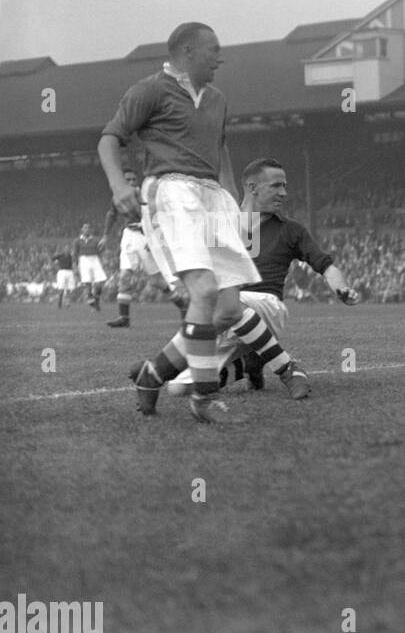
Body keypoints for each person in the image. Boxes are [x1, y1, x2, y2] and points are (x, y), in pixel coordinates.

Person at [98, 21, 262, 424]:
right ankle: (203, 400)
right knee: (203, 291)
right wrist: (120, 185)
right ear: (187, 52)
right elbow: (109, 138)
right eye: (214, 50)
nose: (220, 58)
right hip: (172, 192)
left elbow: (220, 149)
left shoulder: (219, 99)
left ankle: (152, 375)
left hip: (212, 196)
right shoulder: (150, 89)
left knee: (227, 308)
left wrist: (231, 201)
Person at [165, 157, 358, 397]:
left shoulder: (291, 230)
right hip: (226, 312)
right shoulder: (222, 225)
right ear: (252, 188)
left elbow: (326, 266)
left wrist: (342, 289)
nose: (284, 193)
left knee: (227, 305)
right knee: (176, 388)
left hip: (266, 306)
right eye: (277, 185)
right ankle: (250, 365)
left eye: (284, 186)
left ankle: (287, 368)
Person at [106, 167, 188, 327]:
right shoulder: (118, 197)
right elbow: (111, 214)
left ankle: (183, 306)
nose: (130, 182)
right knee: (124, 276)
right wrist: (105, 235)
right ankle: (124, 317)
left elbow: (158, 216)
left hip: (145, 236)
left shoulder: (145, 196)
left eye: (133, 180)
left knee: (157, 281)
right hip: (128, 235)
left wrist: (154, 240)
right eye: (127, 180)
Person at [73, 223, 107, 311]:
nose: (87, 229)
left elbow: (101, 251)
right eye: (85, 228)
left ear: (90, 230)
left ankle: (96, 300)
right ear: (82, 230)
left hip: (94, 259)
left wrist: (103, 258)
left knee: (99, 283)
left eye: (88, 228)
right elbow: (75, 253)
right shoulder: (77, 241)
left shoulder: (95, 240)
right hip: (83, 260)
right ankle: (90, 298)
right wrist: (75, 265)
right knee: (87, 282)